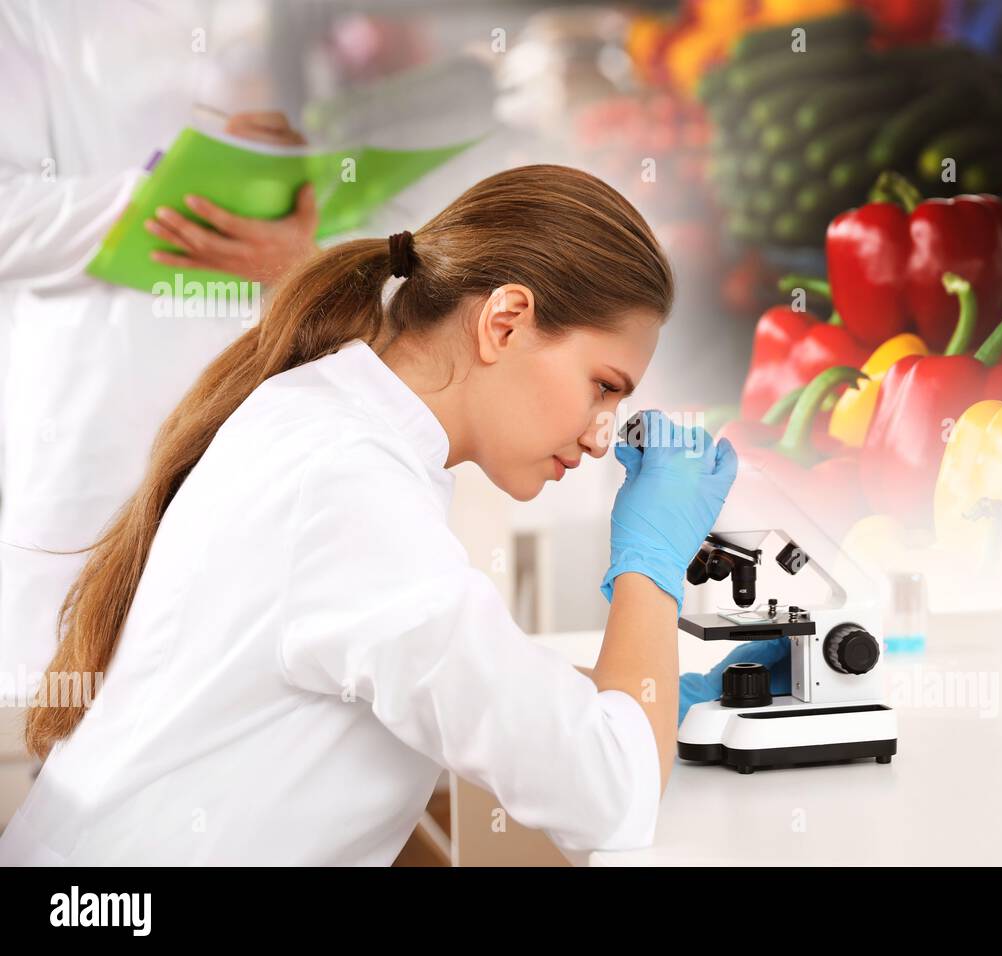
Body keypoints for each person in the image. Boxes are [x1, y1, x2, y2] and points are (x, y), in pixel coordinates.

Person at [0, 165, 739, 865]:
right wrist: (652, 565)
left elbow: (437, 671)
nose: (601, 431)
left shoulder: (337, 425)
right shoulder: (348, 488)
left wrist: (640, 695)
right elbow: (611, 794)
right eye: (603, 385)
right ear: (505, 321)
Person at [0, 0, 322, 700]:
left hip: (255, 403)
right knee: (76, 710)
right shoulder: (29, 17)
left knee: (237, 705)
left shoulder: (286, 19)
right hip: (94, 418)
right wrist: (170, 199)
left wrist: (293, 232)